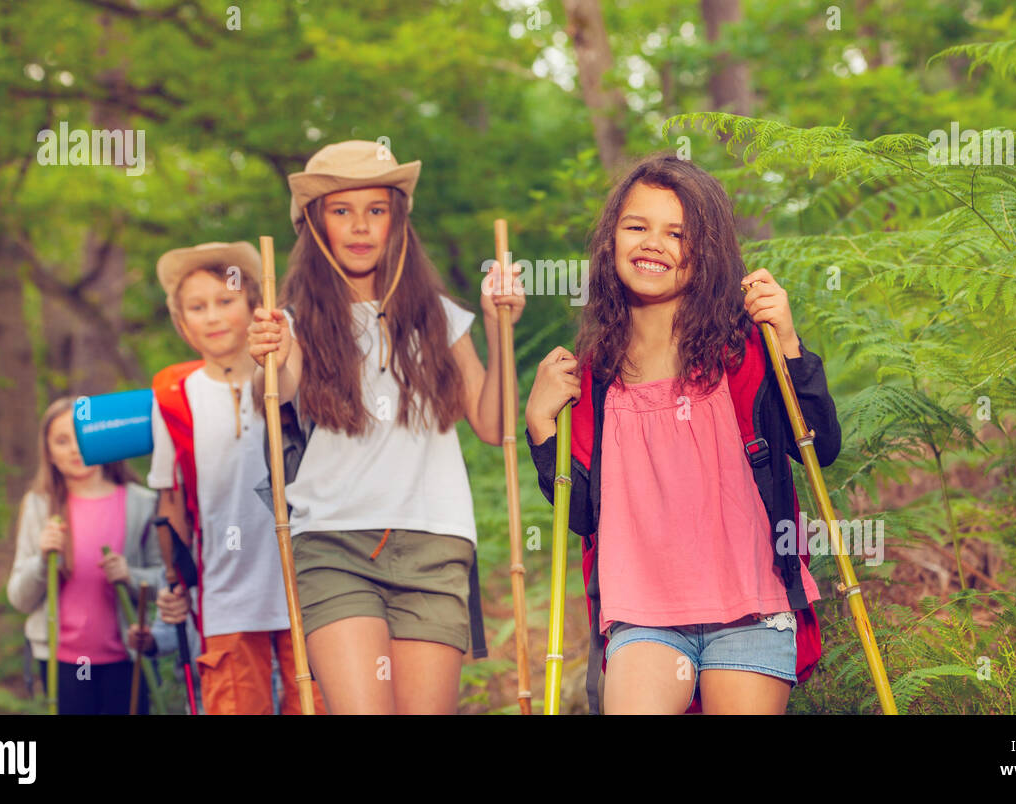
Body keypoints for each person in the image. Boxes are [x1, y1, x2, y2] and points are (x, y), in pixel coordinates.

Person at [524, 153, 843, 714]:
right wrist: (540, 427)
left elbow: (819, 442)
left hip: (752, 604)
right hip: (642, 614)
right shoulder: (593, 373)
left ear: (709, 250)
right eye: (637, 226)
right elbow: (581, 513)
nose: (654, 243)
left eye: (678, 232)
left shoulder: (744, 352)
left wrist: (789, 345)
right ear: (610, 240)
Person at [247, 139, 523, 714]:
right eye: (341, 210)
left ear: (398, 220)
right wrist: (267, 356)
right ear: (314, 224)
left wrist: (501, 332)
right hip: (333, 543)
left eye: (376, 209)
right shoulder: (293, 324)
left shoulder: (440, 320)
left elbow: (495, 426)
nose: (360, 226)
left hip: (434, 543)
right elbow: (275, 390)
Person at [148, 240, 325, 714]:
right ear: (182, 324)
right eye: (197, 308)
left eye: (225, 301)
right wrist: (175, 582)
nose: (212, 316)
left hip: (306, 580)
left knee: (318, 701)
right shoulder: (172, 395)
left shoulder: (290, 374)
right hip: (224, 589)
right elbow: (169, 499)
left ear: (252, 307)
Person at [7, 397, 166, 714]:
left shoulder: (142, 503)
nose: (75, 449)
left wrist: (131, 575)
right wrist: (43, 558)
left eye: (85, 436)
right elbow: (19, 598)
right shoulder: (40, 506)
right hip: (62, 660)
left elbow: (165, 582)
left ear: (106, 439)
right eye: (62, 441)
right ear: (48, 452)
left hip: (126, 657)